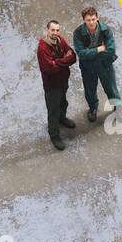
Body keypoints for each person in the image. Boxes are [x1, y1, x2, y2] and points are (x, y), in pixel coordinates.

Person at [72, 7, 122, 123]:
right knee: (90, 90)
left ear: (97, 18)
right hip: (88, 68)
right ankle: (93, 108)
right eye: (88, 20)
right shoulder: (78, 33)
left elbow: (111, 50)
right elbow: (81, 53)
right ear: (83, 20)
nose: (91, 23)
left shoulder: (106, 30)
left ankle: (118, 109)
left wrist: (90, 53)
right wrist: (99, 49)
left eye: (93, 19)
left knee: (111, 88)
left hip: (104, 65)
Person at [37, 20, 77, 150]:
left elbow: (73, 56)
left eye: (57, 30)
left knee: (63, 103)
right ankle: (54, 134)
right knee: (53, 109)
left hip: (63, 81)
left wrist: (57, 62)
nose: (55, 33)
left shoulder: (61, 40)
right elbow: (50, 69)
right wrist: (64, 61)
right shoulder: (43, 48)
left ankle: (62, 118)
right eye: (52, 30)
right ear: (47, 30)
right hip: (52, 84)